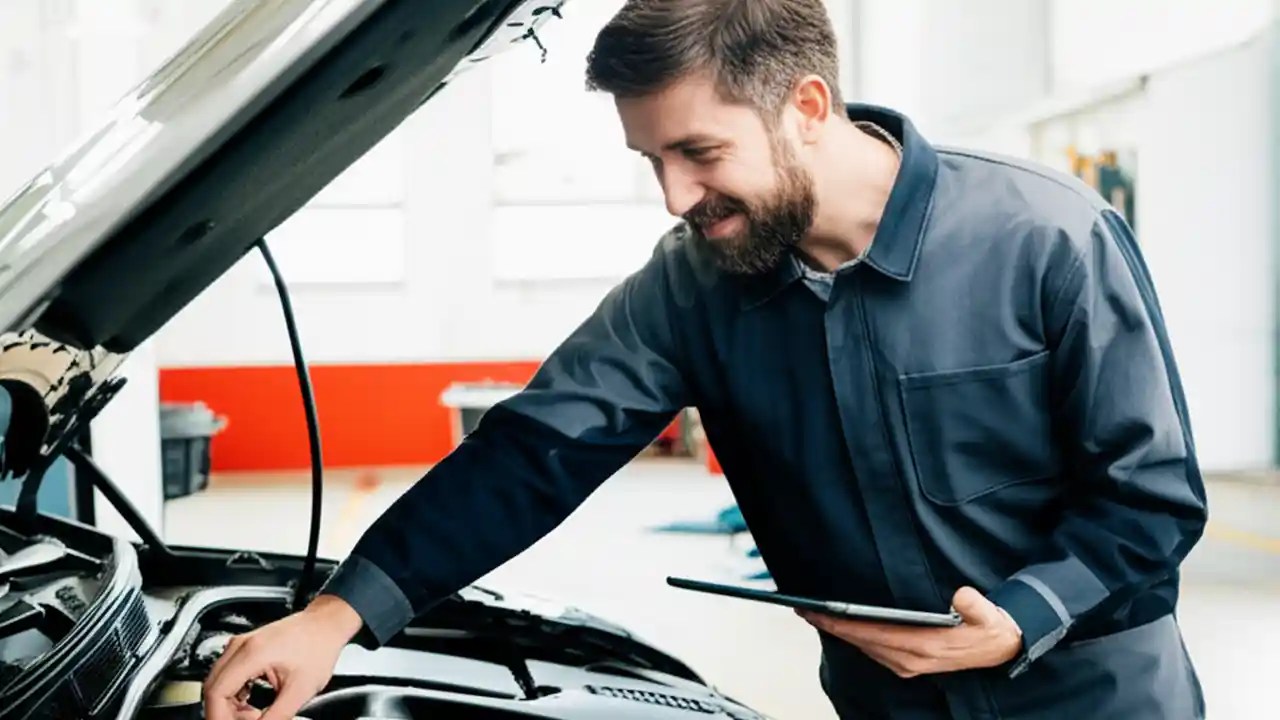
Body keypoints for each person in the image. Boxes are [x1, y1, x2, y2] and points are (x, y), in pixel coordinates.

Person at [203, 1, 1209, 718]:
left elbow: (1148, 498)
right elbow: (531, 454)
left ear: (806, 106)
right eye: (650, 161)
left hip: (1088, 693)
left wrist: (1019, 616)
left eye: (699, 152)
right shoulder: (688, 286)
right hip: (881, 704)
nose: (673, 197)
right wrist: (338, 617)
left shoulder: (1043, 237)